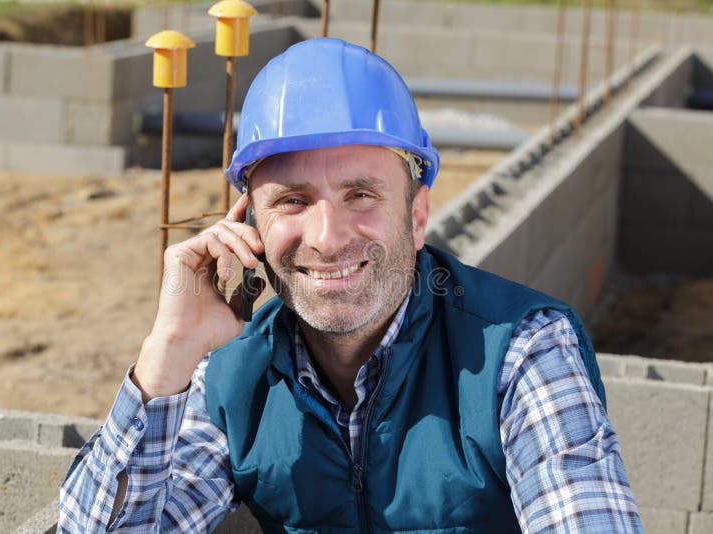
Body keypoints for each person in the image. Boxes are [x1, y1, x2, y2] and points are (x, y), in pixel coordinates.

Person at [59, 38, 642, 533]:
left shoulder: (520, 351)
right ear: (249, 227)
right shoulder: (233, 379)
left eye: (361, 195)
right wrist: (168, 354)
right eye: (292, 201)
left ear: (416, 218)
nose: (328, 237)